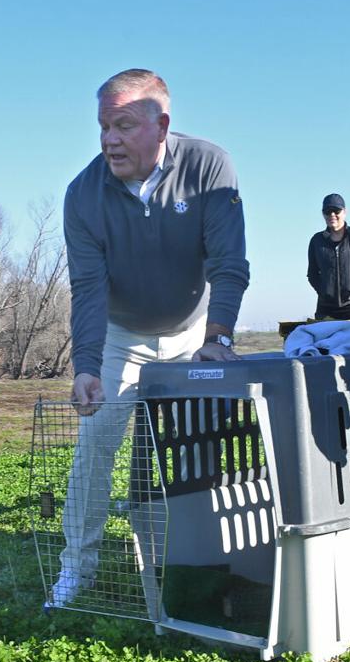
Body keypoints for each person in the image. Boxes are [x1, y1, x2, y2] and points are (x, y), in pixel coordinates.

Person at [53, 68, 250, 607]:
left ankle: (181, 558)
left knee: (184, 454)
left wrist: (219, 337)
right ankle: (77, 570)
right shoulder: (83, 195)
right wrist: (87, 367)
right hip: (122, 336)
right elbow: (88, 289)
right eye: (102, 127)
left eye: (122, 125)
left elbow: (229, 263)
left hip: (193, 334)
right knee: (95, 450)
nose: (109, 139)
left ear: (161, 125)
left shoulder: (210, 166)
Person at [306, 194, 350, 320]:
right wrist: (323, 291)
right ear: (323, 214)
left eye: (336, 211)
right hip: (326, 308)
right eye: (328, 212)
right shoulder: (316, 240)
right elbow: (312, 273)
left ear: (344, 212)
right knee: (323, 339)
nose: (332, 215)